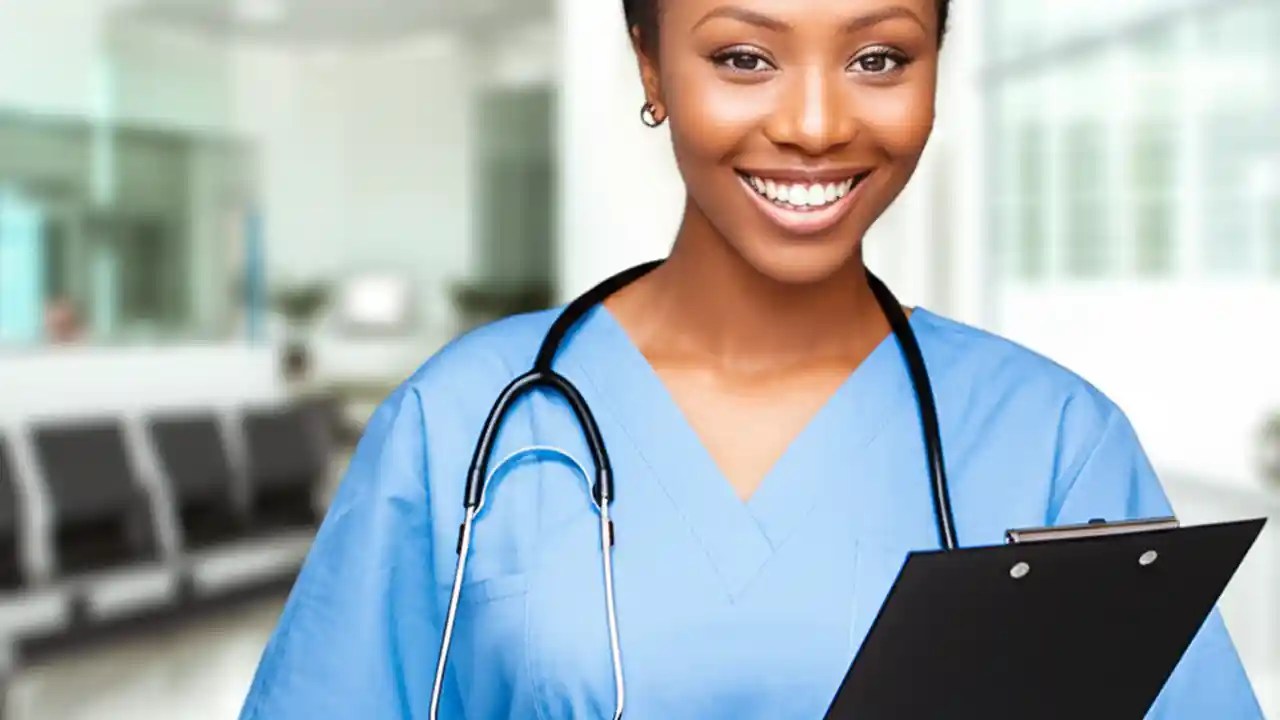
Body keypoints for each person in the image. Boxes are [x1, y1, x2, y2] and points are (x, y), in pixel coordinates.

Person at [238, 1, 1263, 717]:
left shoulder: (1049, 438)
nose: (813, 124)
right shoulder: (465, 419)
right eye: (741, 57)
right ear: (649, 66)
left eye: (877, 59)